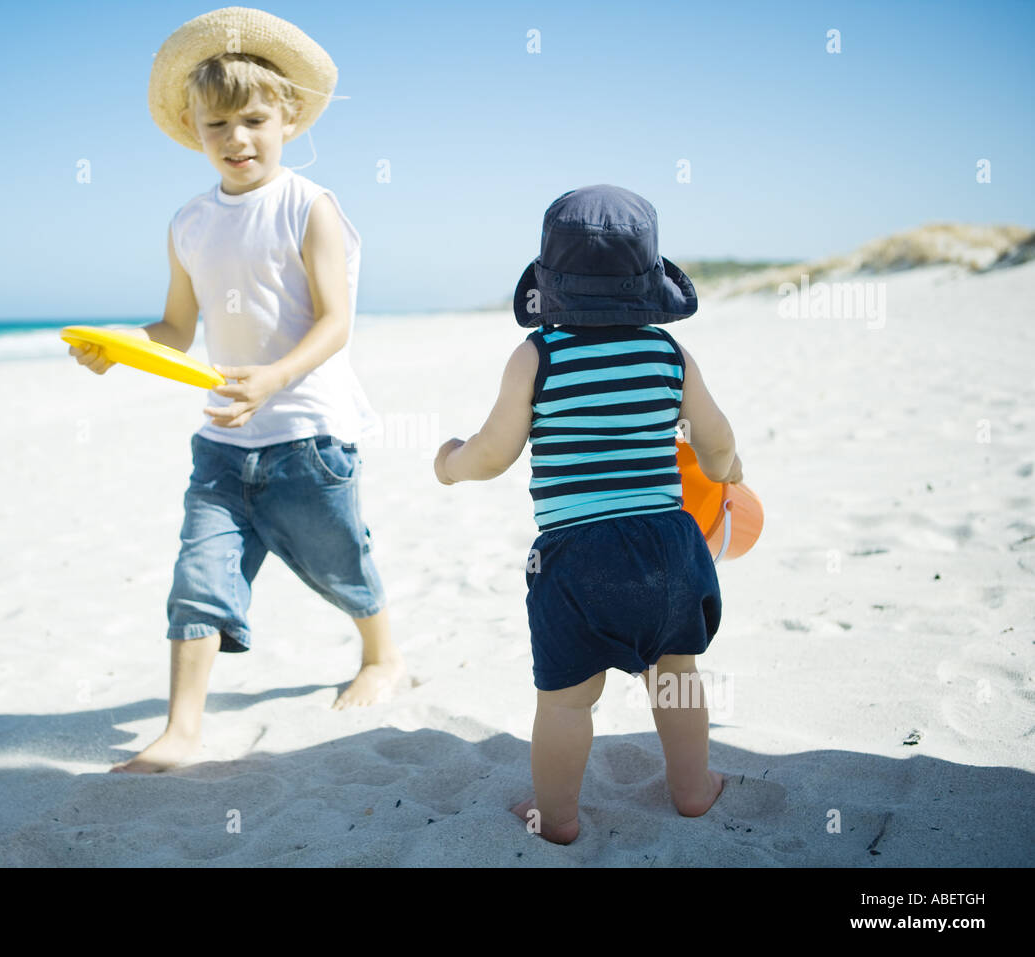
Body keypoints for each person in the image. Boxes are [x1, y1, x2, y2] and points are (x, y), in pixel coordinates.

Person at [71, 7, 403, 772]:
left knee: (340, 563)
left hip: (310, 438)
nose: (237, 138)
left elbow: (335, 321)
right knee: (198, 577)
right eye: (217, 124)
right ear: (194, 128)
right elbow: (176, 331)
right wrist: (119, 349)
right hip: (223, 442)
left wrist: (277, 377)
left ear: (286, 115)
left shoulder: (308, 206)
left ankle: (381, 656)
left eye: (253, 118)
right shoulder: (188, 222)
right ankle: (182, 729)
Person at [434, 185, 741, 843]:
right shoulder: (668, 354)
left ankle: (561, 816)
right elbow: (715, 441)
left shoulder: (538, 356)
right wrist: (727, 474)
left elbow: (494, 452)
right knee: (678, 676)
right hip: (669, 545)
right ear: (648, 284)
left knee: (568, 699)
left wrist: (452, 461)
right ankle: (692, 788)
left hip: (577, 557)